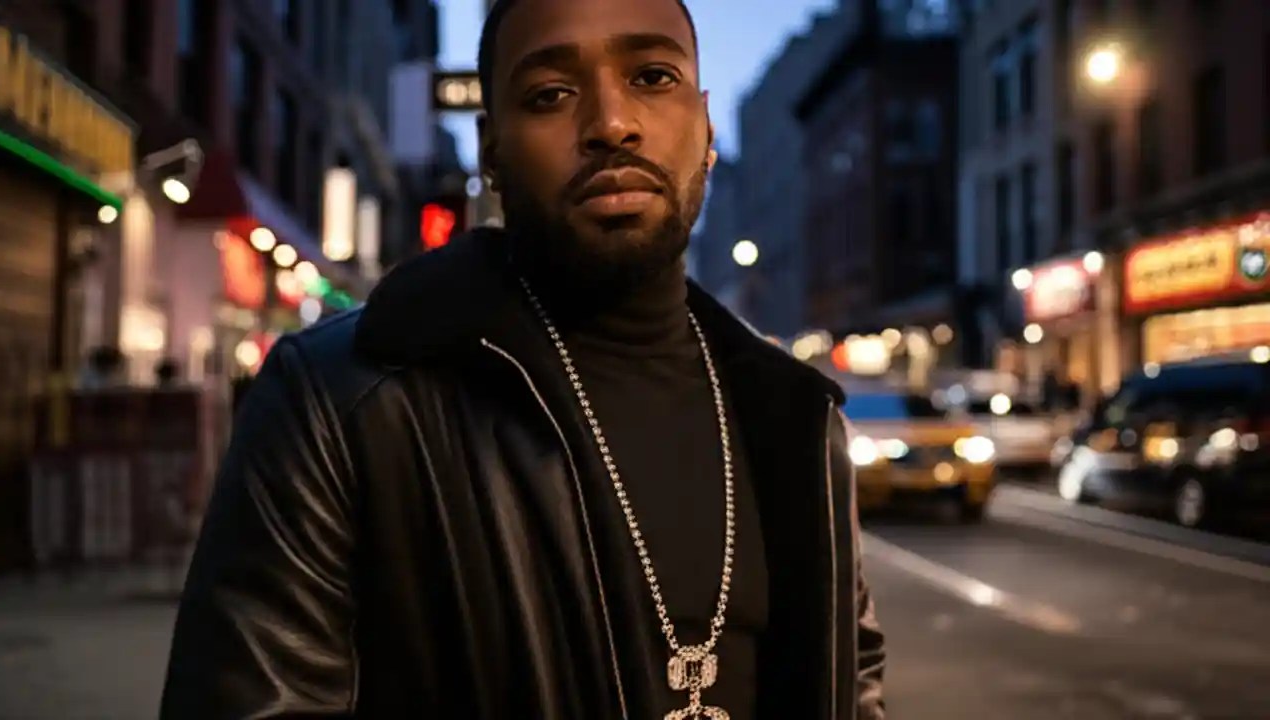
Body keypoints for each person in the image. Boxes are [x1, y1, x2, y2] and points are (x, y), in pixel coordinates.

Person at [159, 0, 885, 717]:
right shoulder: (339, 401)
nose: (611, 124)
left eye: (653, 77)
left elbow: (852, 686)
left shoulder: (796, 420)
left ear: (706, 129)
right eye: (550, 95)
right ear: (492, 152)